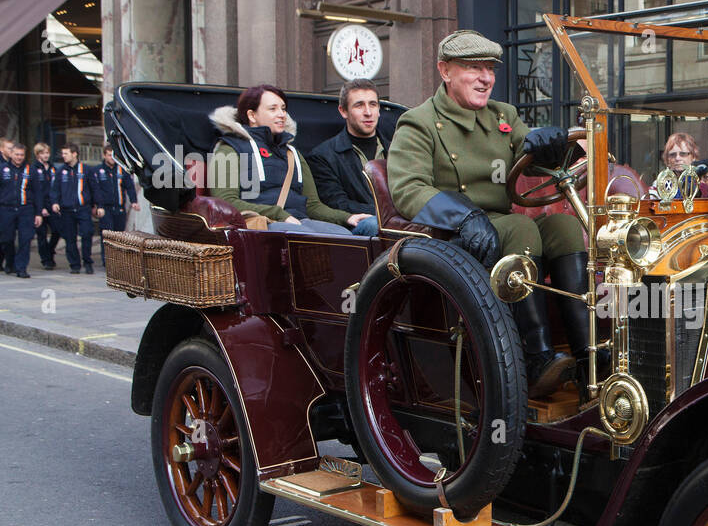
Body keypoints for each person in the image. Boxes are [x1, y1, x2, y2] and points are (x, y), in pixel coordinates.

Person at [387, 29, 591, 397]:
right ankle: (535, 358)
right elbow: (408, 189)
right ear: (445, 71)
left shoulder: (505, 116)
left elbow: (536, 162)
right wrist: (463, 215)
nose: (485, 78)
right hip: (452, 235)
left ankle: (587, 354)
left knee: (563, 226)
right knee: (521, 229)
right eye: (473, 68)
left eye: (490, 69)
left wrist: (549, 145)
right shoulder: (418, 122)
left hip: (497, 228)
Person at [209, 84, 358, 236]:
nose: (282, 114)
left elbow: (312, 205)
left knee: (344, 236)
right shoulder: (228, 149)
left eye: (283, 108)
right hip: (261, 226)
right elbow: (225, 201)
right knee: (305, 238)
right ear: (252, 115)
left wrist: (347, 217)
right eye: (273, 109)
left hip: (299, 221)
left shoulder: (292, 153)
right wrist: (279, 214)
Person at [306, 78, 386, 237]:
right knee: (374, 224)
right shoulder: (322, 156)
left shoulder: (396, 149)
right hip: (358, 227)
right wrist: (386, 212)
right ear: (343, 111)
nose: (368, 112)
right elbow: (338, 204)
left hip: (400, 220)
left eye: (373, 104)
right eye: (359, 105)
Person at [50, 145, 96, 274]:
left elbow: (94, 188)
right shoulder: (60, 171)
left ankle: (87, 261)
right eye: (63, 153)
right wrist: (55, 202)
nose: (63, 156)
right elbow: (55, 190)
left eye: (66, 153)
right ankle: (74, 264)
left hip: (83, 208)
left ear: (74, 154)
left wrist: (98, 205)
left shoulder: (86, 169)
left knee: (87, 234)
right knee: (70, 238)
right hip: (67, 210)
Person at [91, 144, 139, 266]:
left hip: (119, 208)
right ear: (104, 155)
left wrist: (134, 201)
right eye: (109, 155)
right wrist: (98, 206)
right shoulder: (97, 170)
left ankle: (117, 260)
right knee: (107, 236)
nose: (111, 158)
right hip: (105, 209)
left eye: (113, 155)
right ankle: (106, 261)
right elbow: (96, 190)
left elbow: (130, 187)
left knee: (118, 236)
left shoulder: (122, 169)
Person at [649, 132, 708, 197]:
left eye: (683, 154)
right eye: (672, 154)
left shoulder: (704, 179)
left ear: (693, 156)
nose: (677, 158)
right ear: (667, 159)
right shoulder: (660, 183)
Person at [0, 143, 40, 278]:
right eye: (16, 154)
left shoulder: (31, 170)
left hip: (26, 209)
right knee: (6, 239)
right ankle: (10, 262)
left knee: (25, 239)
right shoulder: (2, 169)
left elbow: (37, 193)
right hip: (6, 209)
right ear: (11, 154)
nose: (19, 157)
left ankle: (21, 268)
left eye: (21, 155)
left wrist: (38, 213)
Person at [31, 143, 60, 270]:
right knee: (41, 235)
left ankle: (50, 250)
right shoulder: (33, 168)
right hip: (39, 206)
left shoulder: (53, 168)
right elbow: (34, 190)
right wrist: (40, 208)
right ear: (37, 155)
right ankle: (46, 259)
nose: (46, 155)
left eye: (47, 153)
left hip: (52, 204)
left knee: (57, 230)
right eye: (43, 153)